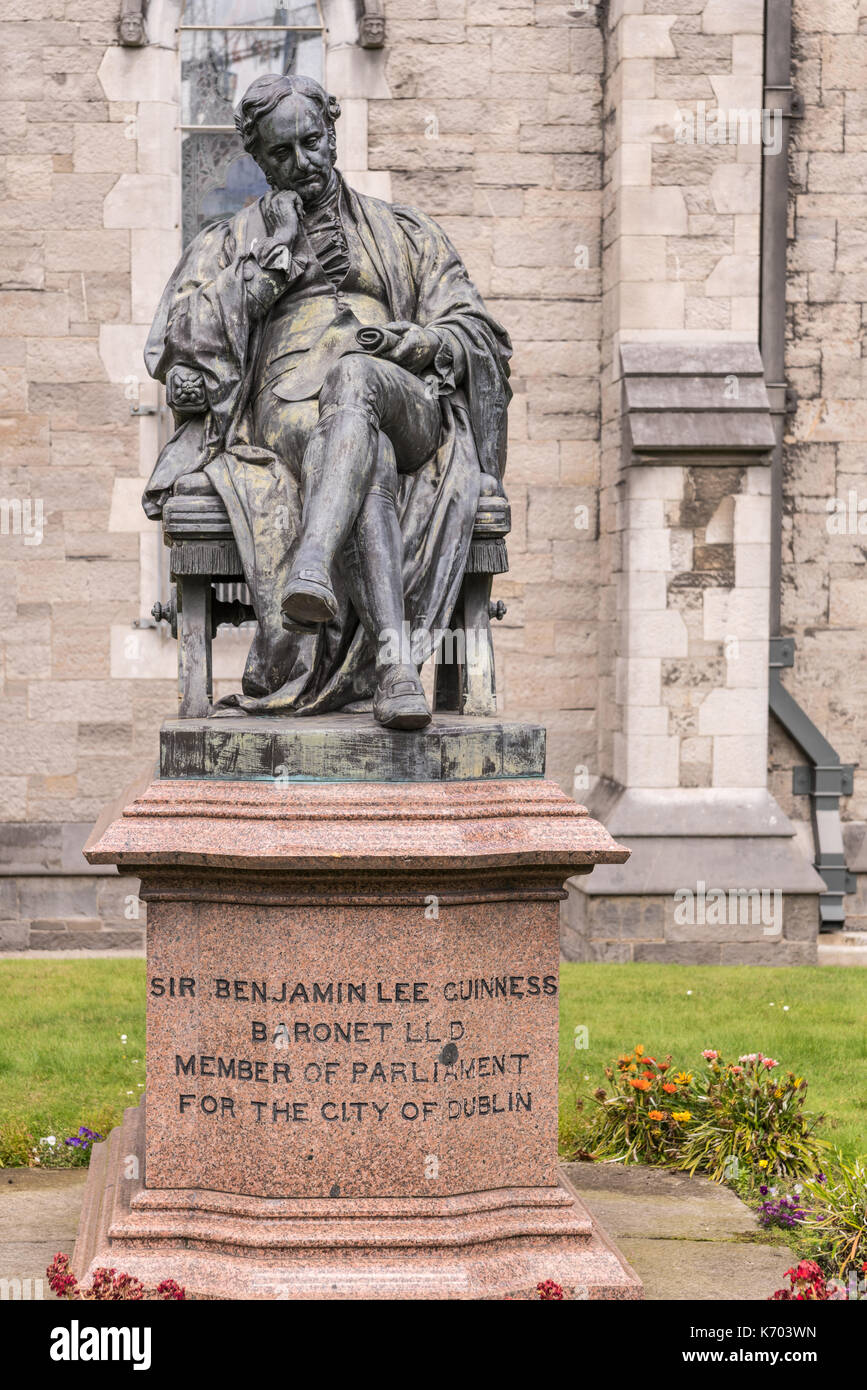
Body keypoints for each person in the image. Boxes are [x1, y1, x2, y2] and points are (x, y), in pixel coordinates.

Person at [143, 74, 511, 729]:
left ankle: (310, 559)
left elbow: (476, 330)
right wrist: (265, 272)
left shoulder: (403, 230)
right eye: (281, 153)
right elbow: (175, 339)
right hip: (287, 407)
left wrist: (420, 340)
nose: (301, 162)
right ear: (259, 159)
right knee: (355, 441)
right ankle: (397, 672)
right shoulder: (234, 242)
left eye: (312, 142)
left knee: (356, 380)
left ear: (332, 133)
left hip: (405, 401)